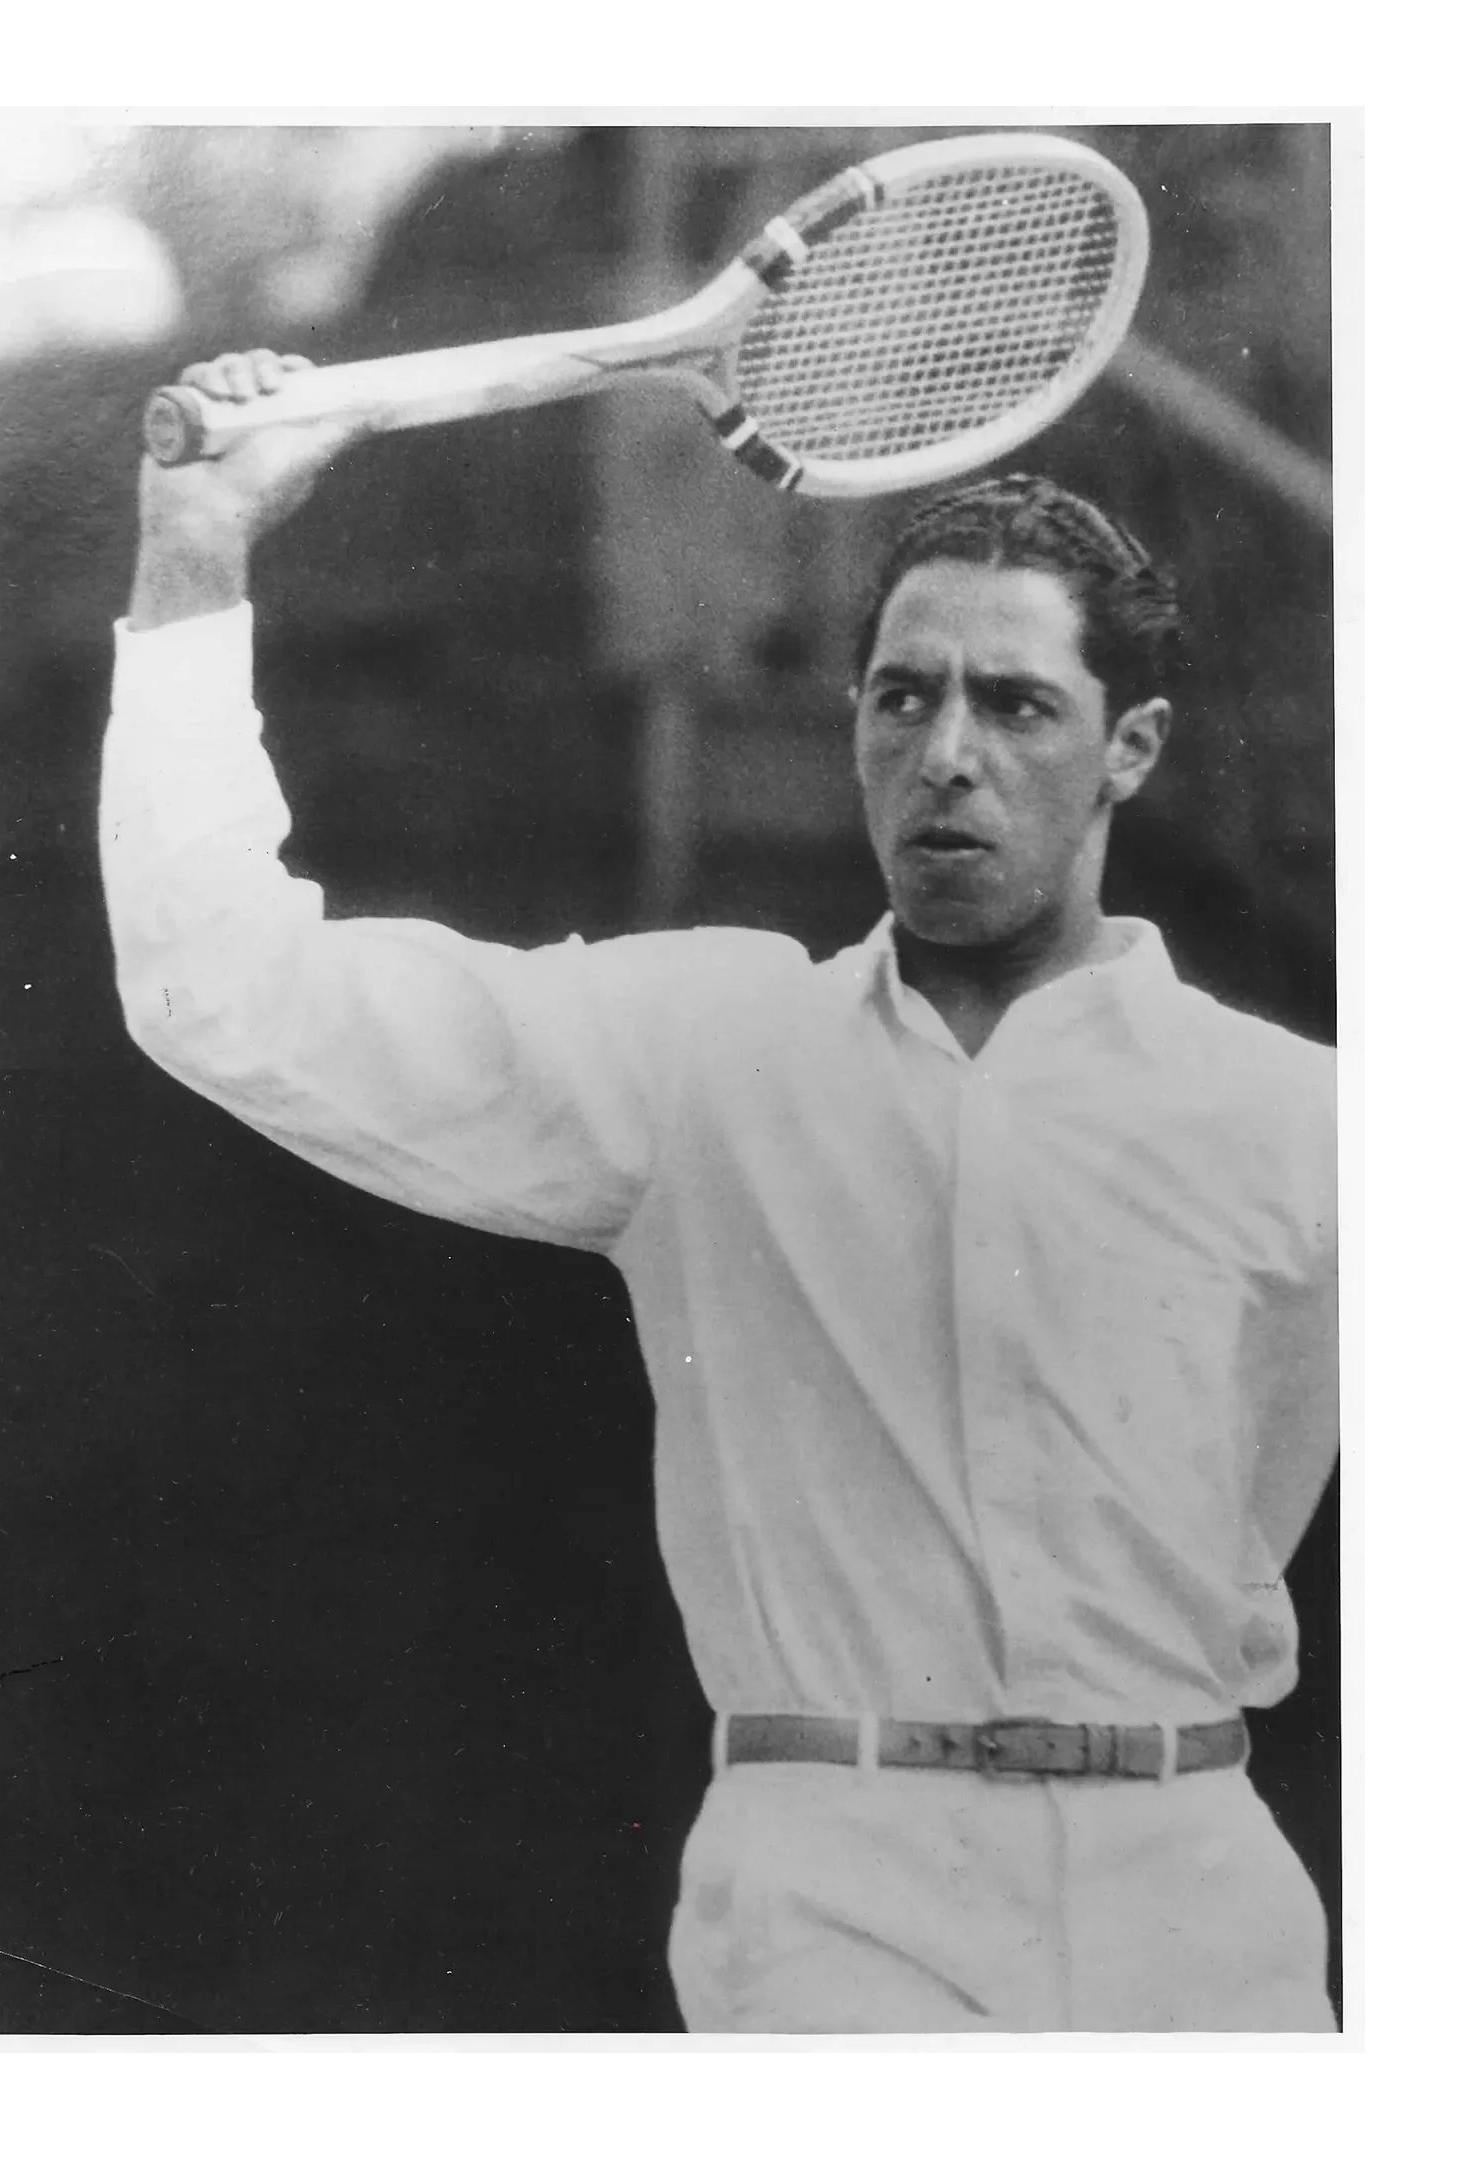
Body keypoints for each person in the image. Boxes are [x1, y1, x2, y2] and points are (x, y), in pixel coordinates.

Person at [100, 348, 1339, 2034]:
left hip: (1205, 1908)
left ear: (1133, 746)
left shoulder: (1297, 1122)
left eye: (1017, 704)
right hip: (830, 1900)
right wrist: (196, 551)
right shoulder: (706, 1047)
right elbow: (221, 992)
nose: (947, 754)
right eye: (903, 697)